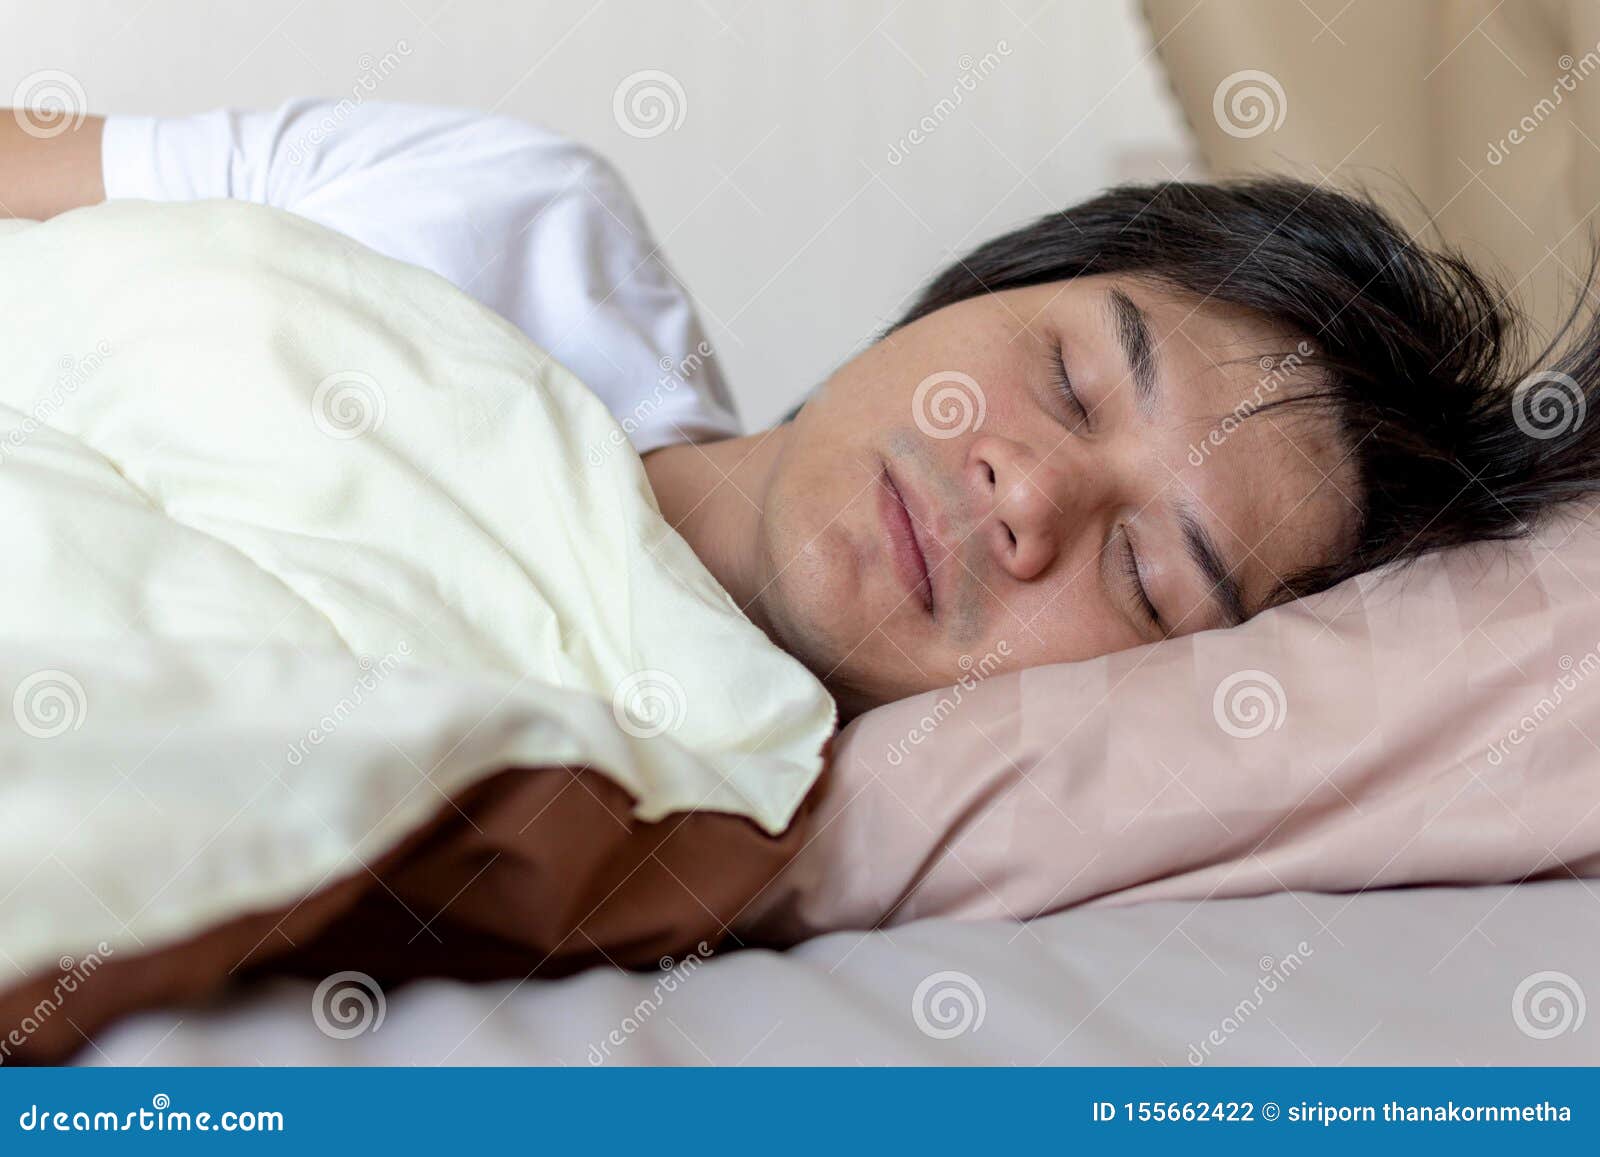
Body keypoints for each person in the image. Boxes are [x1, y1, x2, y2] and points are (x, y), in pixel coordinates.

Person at [6, 100, 1597, 718]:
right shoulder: (516, 216)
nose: (1028, 486)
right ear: (981, 288)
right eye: (1067, 375)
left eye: (1146, 573)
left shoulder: (708, 804)